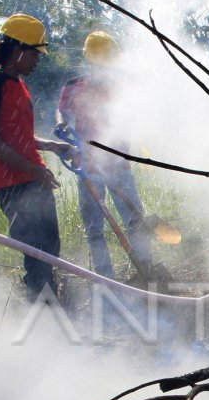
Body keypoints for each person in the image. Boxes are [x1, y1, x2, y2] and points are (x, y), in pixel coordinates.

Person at [0, 14, 75, 302]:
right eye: (35, 54)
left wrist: (52, 146)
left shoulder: (18, 85)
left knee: (50, 251)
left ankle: (50, 305)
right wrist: (34, 169)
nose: (37, 60)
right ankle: (43, 317)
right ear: (18, 51)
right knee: (36, 253)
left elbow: (18, 137)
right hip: (14, 185)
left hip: (34, 179)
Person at [55, 30, 153, 279]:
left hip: (118, 164)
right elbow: (62, 112)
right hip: (87, 166)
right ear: (90, 60)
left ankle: (146, 269)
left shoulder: (121, 86)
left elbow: (132, 115)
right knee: (94, 229)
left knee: (134, 219)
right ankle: (104, 278)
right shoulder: (73, 85)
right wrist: (62, 124)